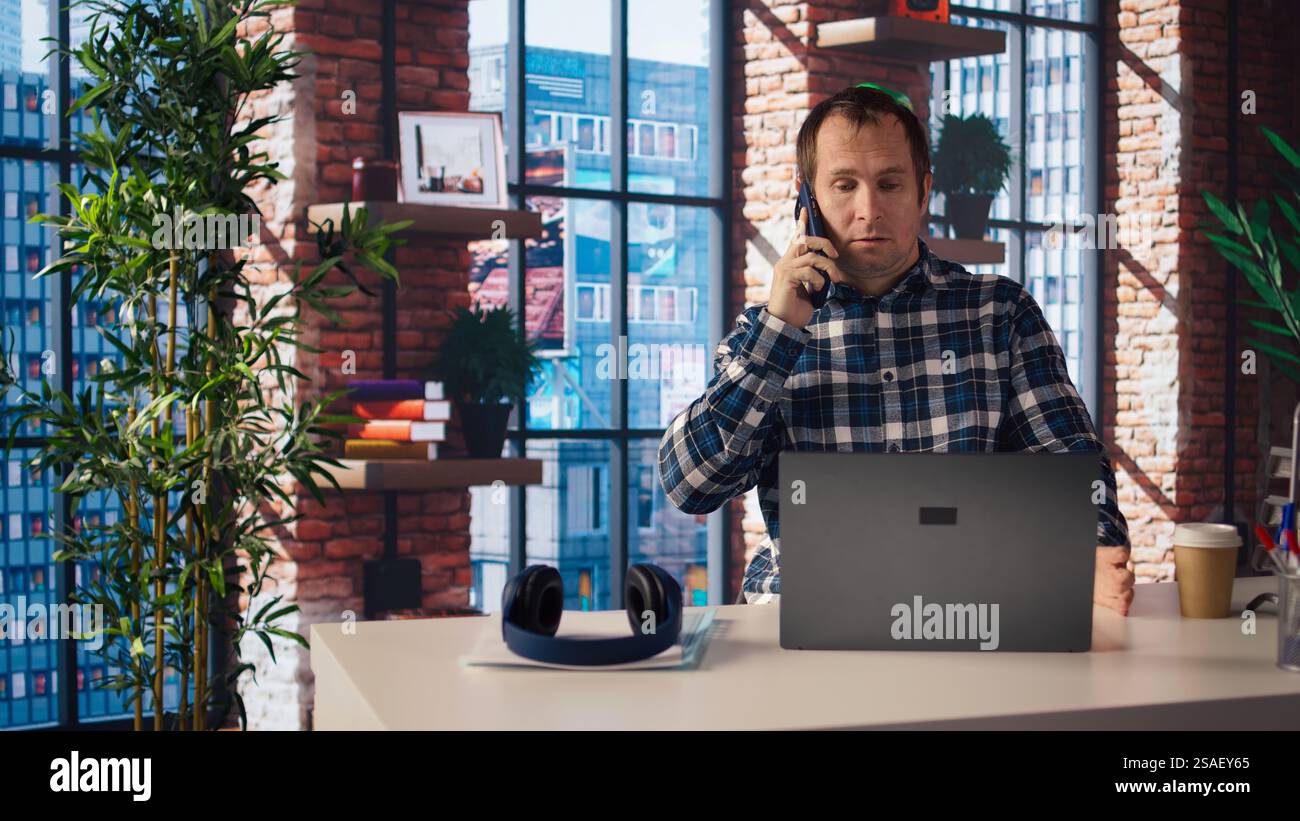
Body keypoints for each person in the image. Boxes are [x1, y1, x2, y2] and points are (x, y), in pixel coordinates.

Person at [658, 84, 1135, 614]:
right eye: (844, 185)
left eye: (890, 183)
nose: (869, 210)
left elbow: (1073, 471)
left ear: (922, 192)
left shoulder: (1001, 314)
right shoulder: (763, 334)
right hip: (801, 626)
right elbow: (690, 486)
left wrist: (1086, 550)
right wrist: (779, 331)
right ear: (806, 199)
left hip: (961, 619)